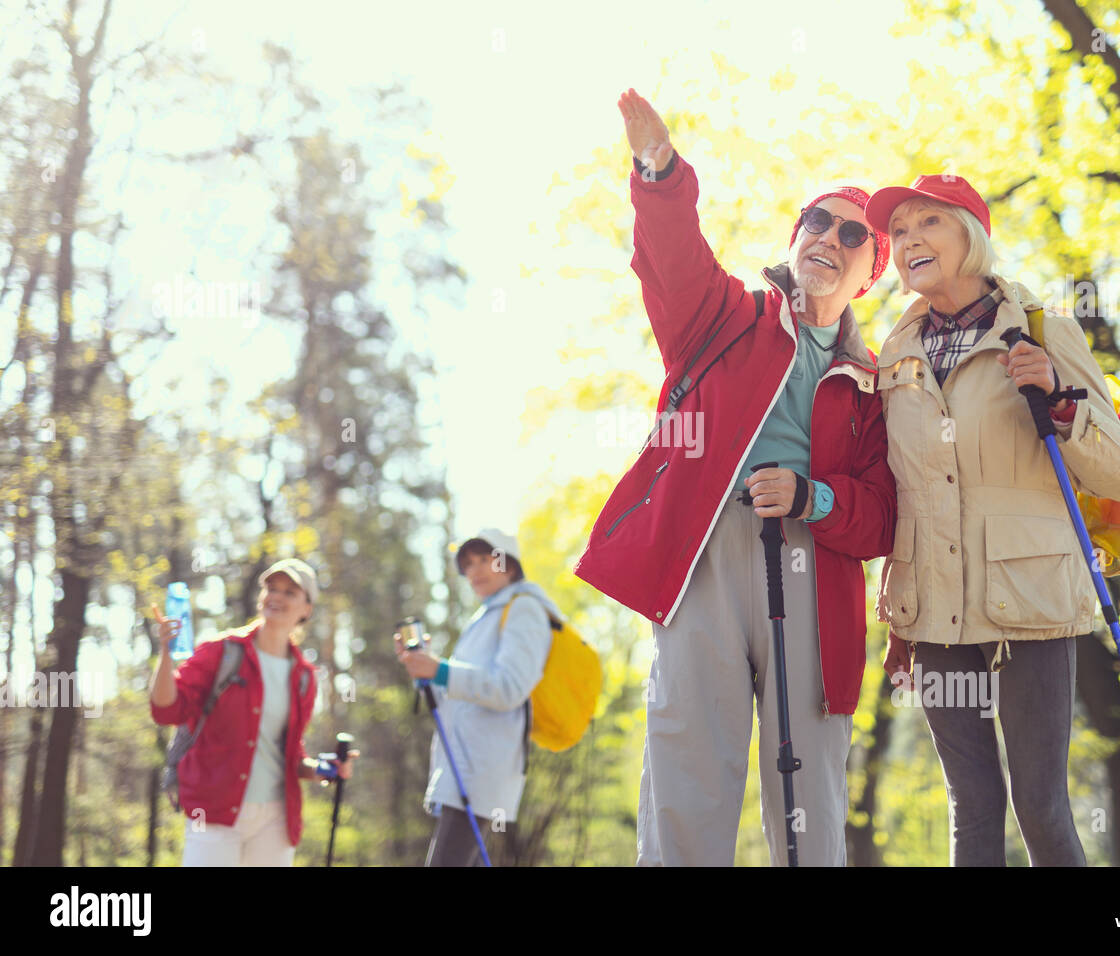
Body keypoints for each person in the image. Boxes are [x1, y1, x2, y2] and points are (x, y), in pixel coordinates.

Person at [572, 89, 897, 866]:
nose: (830, 238)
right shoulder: (724, 315)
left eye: (853, 236)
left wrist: (813, 497)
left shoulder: (878, 383)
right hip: (706, 554)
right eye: (816, 221)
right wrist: (659, 169)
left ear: (868, 277)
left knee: (809, 791)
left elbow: (885, 517)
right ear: (793, 239)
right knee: (688, 763)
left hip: (816, 572)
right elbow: (673, 255)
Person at [864, 174, 1120, 866]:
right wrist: (896, 608)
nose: (909, 241)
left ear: (971, 235)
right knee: (972, 805)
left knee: (1040, 806)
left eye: (928, 222)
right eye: (898, 231)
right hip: (931, 605)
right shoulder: (892, 356)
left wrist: (1060, 399)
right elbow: (903, 487)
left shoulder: (1047, 331)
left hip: (1033, 596)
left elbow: (1119, 471)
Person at [150, 558, 358, 867]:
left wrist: (324, 770)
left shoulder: (303, 676)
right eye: (272, 589)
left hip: (275, 822)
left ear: (307, 609)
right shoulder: (221, 651)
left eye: (290, 592)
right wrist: (166, 653)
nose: (277, 597)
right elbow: (166, 710)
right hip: (214, 813)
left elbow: (290, 754)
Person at [396, 528, 559, 867]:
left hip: (479, 770)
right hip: (462, 768)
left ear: (510, 564)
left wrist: (439, 670)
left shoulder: (524, 608)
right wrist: (424, 671)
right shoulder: (486, 617)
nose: (474, 570)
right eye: (467, 564)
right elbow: (461, 697)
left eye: (485, 559)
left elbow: (510, 688)